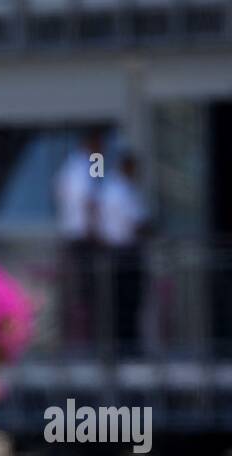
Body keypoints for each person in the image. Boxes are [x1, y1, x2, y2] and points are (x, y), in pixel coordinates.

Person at [97, 153, 150, 356]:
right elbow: (137, 224)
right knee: (128, 302)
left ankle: (121, 346)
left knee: (121, 303)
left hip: (115, 253)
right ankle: (127, 348)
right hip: (125, 253)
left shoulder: (109, 189)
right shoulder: (121, 191)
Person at [54, 128, 103, 346]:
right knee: (86, 293)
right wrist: (97, 231)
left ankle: (83, 341)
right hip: (82, 239)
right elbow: (88, 202)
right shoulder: (82, 167)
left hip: (75, 237)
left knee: (82, 292)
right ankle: (85, 343)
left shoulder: (72, 167)